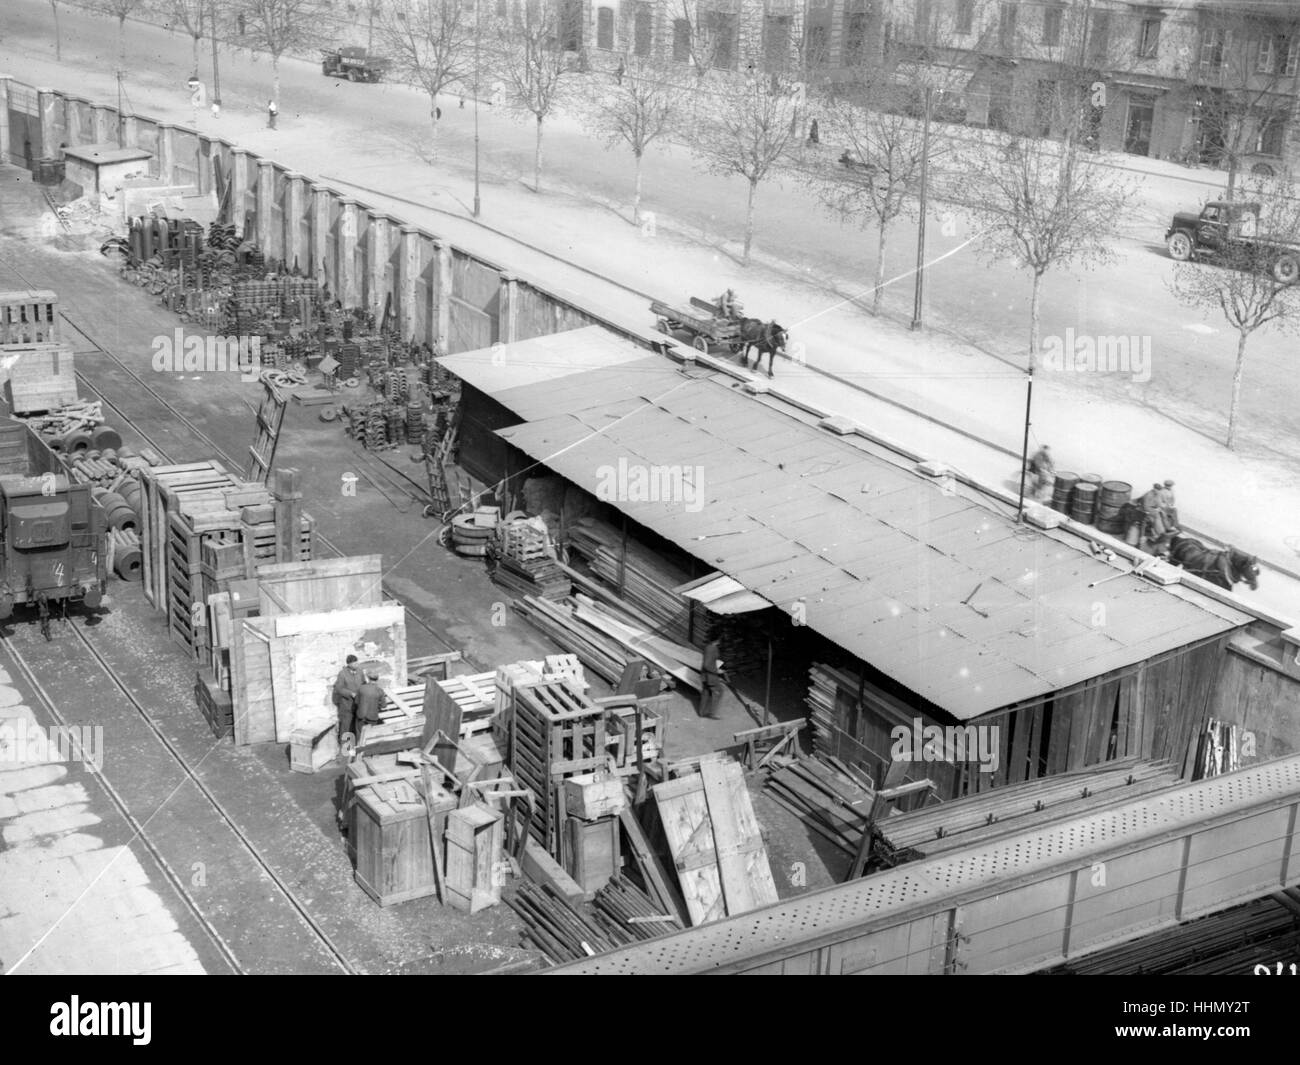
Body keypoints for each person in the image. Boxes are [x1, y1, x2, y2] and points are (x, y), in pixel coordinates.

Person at [333, 655, 363, 742]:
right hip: (347, 705)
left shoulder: (360, 671)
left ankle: (357, 748)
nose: (357, 664)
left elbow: (364, 683)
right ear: (349, 664)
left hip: (358, 704)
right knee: (346, 727)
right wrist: (350, 694)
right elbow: (339, 688)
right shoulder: (342, 674)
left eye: (357, 662)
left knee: (357, 726)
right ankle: (346, 750)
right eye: (354, 663)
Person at [699, 639, 725, 719]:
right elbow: (707, 665)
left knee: (706, 693)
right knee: (719, 691)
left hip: (705, 676)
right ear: (717, 640)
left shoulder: (708, 647)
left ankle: (702, 712)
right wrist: (717, 671)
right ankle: (713, 713)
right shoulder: (712, 648)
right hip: (711, 677)